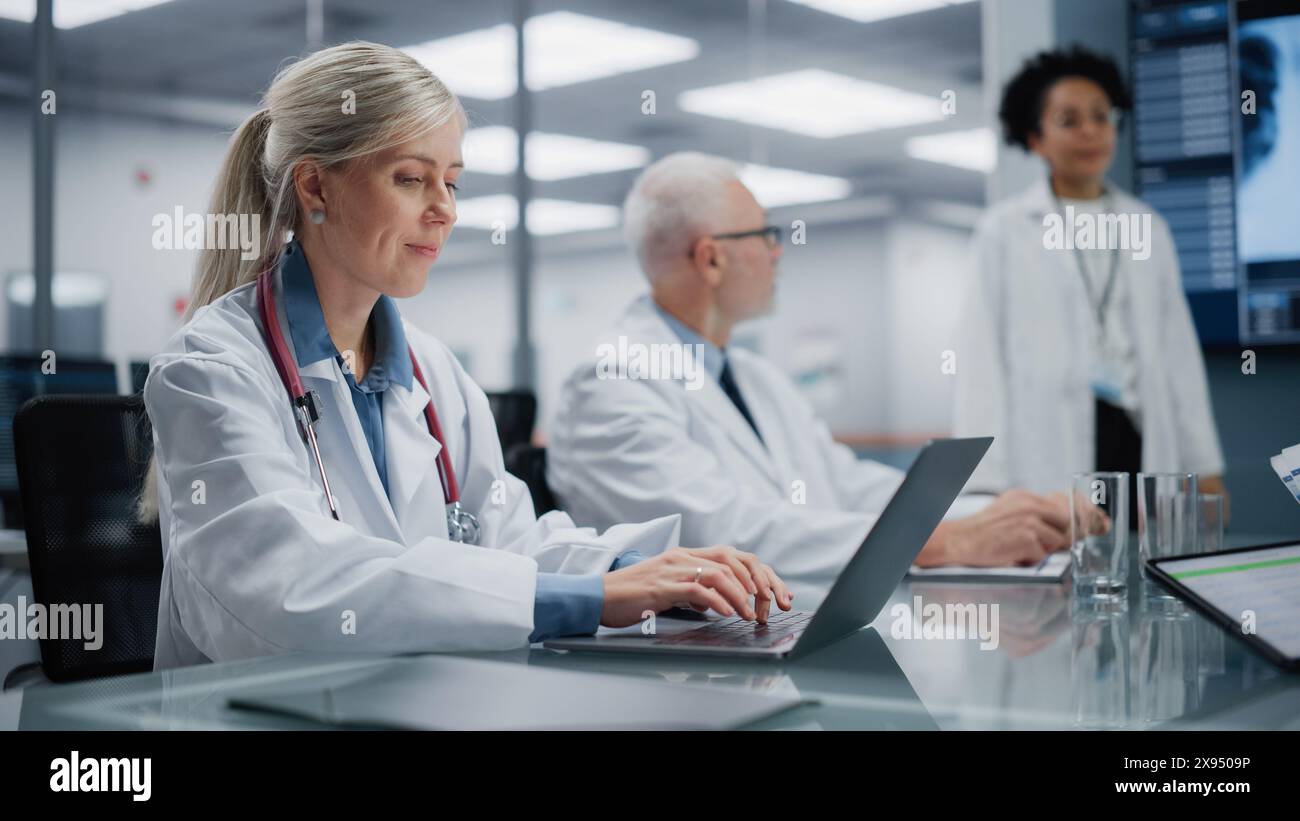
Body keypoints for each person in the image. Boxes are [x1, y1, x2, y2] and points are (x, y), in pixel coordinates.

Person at [139, 43, 790, 671]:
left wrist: (644, 572)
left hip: (407, 696)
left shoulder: (431, 369)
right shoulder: (211, 369)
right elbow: (288, 590)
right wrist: (588, 600)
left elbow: (507, 540)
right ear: (316, 188)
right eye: (412, 179)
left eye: (450, 182)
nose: (444, 210)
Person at [547, 152, 1094, 594]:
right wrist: (944, 541)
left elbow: (847, 486)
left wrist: (1004, 512)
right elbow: (722, 533)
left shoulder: (756, 379)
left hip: (789, 630)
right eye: (764, 235)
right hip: (683, 669)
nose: (777, 253)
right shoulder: (610, 382)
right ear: (711, 259)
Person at [952, 47, 1225, 520]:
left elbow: (1178, 353)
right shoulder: (1004, 230)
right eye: (1069, 120)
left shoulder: (1149, 226)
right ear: (1035, 137)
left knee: (1143, 564)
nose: (1091, 131)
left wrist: (1204, 466)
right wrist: (984, 485)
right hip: (1046, 443)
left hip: (1136, 435)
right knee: (1063, 568)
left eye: (1102, 116)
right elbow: (980, 361)